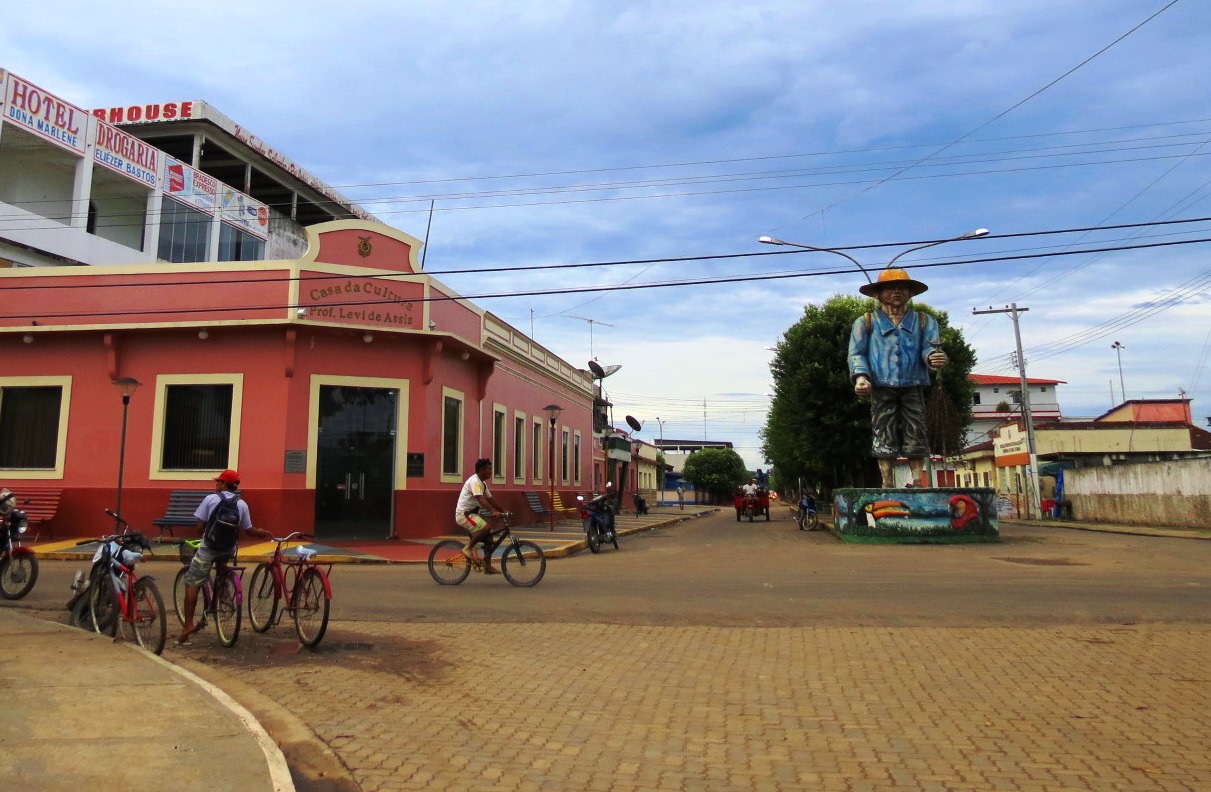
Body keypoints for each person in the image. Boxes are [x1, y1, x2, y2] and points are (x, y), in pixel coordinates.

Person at [848, 268, 947, 488]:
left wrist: (934, 357)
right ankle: (887, 481)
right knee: (883, 430)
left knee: (916, 429)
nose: (896, 292)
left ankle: (917, 481)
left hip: (914, 384)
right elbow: (857, 353)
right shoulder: (865, 322)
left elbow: (929, 348)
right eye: (889, 288)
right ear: (877, 293)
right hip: (881, 386)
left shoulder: (924, 321)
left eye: (902, 287)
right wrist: (861, 377)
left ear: (910, 292)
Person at [177, 469, 268, 644]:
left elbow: (199, 527)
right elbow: (249, 531)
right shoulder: (242, 504)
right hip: (228, 549)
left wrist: (207, 536)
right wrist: (261, 533)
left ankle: (188, 624)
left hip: (209, 547)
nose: (216, 484)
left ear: (224, 484)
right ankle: (223, 589)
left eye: (218, 481)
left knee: (193, 581)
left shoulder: (211, 499)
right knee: (221, 565)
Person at [455, 458, 506, 574]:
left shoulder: (482, 483)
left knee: (489, 538)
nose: (491, 471)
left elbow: (490, 499)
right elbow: (481, 499)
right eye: (489, 469)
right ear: (481, 470)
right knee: (486, 527)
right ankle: (468, 548)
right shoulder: (474, 481)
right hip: (464, 515)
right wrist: (493, 511)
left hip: (473, 514)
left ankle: (487, 567)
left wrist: (503, 511)